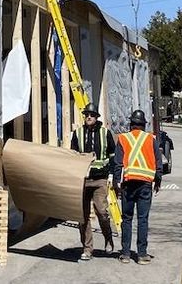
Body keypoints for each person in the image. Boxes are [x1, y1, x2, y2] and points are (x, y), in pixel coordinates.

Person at [112, 109, 162, 265]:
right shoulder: (151, 139)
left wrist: (116, 183)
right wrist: (158, 180)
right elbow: (158, 162)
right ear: (143, 125)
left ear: (131, 124)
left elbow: (117, 163)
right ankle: (141, 254)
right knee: (142, 219)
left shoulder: (123, 138)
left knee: (127, 219)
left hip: (128, 184)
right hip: (145, 184)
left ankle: (125, 253)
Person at [70, 105, 116, 260]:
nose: (88, 117)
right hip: (83, 179)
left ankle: (108, 238)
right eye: (86, 115)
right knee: (82, 216)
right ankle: (87, 248)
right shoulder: (78, 133)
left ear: (96, 117)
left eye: (91, 115)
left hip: (100, 178)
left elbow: (112, 155)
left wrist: (111, 175)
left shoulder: (105, 133)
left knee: (102, 212)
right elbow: (73, 156)